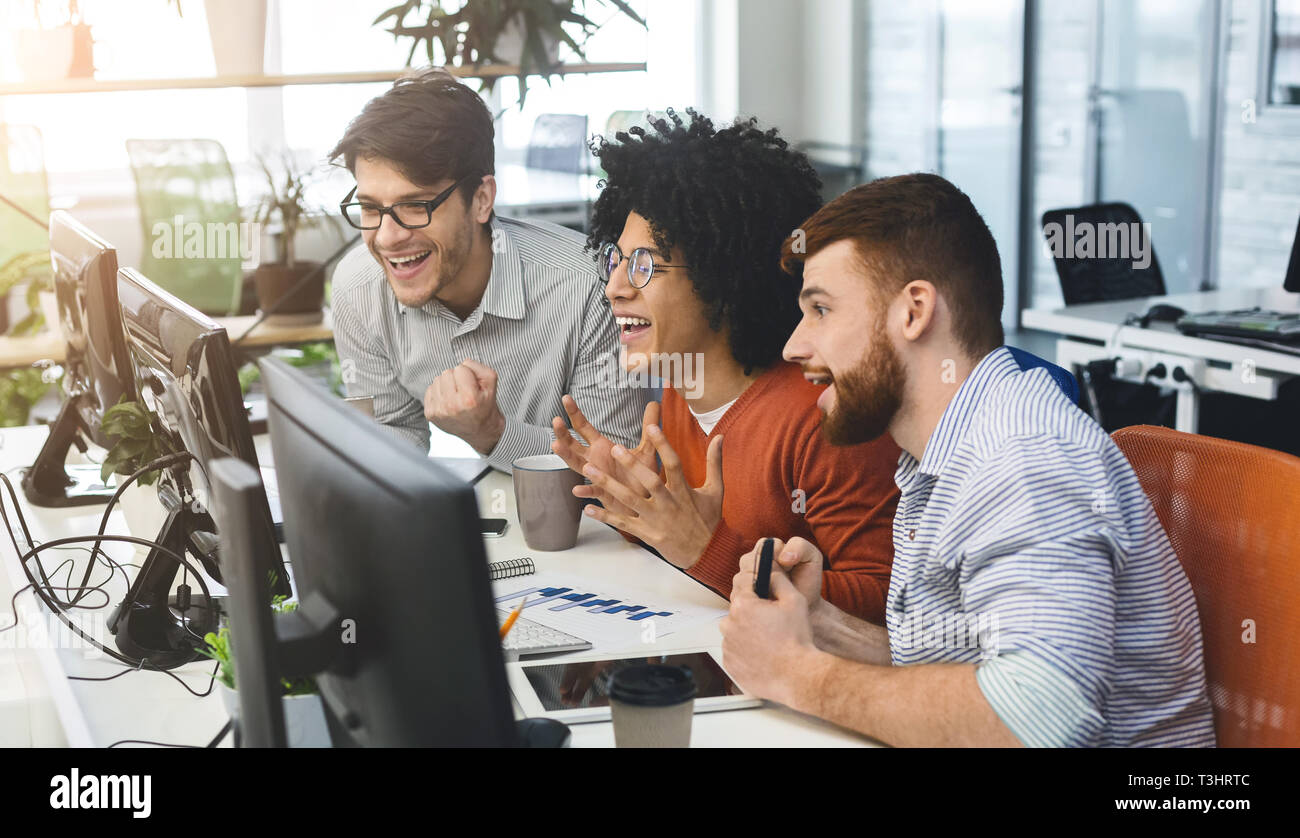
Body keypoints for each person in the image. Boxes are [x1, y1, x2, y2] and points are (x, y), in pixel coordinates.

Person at [720, 173, 1215, 747]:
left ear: (913, 312)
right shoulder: (950, 452)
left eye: (822, 310)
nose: (794, 346)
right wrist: (820, 627)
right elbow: (971, 672)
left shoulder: (1023, 458)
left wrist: (796, 674)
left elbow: (1038, 718)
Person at [550, 111, 900, 622]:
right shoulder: (679, 387)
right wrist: (639, 507)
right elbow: (692, 567)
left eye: (644, 264)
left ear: (723, 276)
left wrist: (706, 548)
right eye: (616, 261)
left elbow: (887, 609)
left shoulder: (824, 418)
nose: (615, 288)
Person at [327, 68, 644, 470]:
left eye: (415, 207)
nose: (388, 238)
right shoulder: (358, 286)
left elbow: (619, 464)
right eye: (371, 208)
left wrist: (493, 432)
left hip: (590, 529)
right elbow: (392, 431)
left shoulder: (588, 286)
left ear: (481, 199)